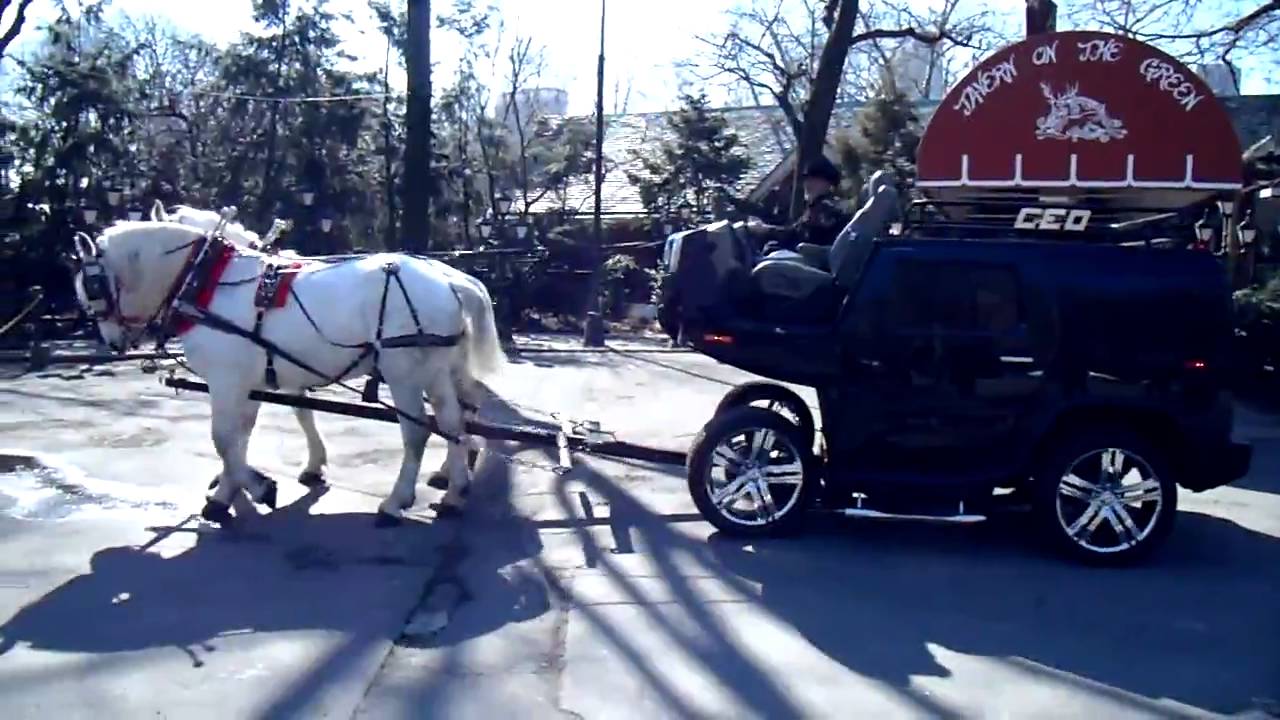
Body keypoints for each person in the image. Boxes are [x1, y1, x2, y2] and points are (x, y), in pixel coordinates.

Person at [746, 155, 852, 256]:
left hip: (814, 261)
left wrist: (766, 230)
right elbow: (794, 231)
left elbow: (800, 235)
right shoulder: (815, 206)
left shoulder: (826, 207)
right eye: (807, 178)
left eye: (815, 179)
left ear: (828, 184)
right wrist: (765, 229)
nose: (808, 183)